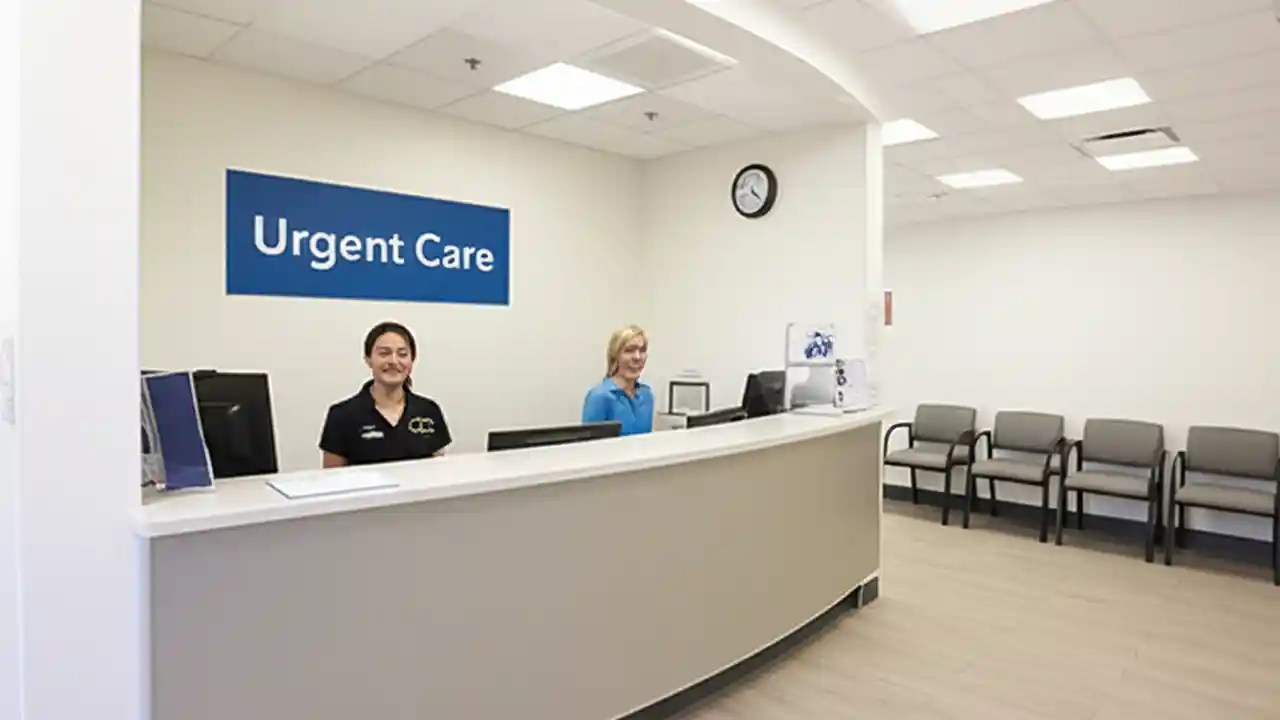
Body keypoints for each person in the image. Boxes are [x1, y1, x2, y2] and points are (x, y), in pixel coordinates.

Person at [319, 321, 452, 467]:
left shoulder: (429, 411)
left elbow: (438, 477)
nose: (394, 361)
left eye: (402, 354)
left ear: (411, 360)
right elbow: (331, 482)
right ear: (368, 359)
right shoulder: (341, 416)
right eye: (384, 353)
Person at [581, 324, 654, 436]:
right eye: (629, 351)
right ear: (615, 356)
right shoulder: (599, 397)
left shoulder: (646, 395)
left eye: (642, 350)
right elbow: (589, 447)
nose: (637, 357)